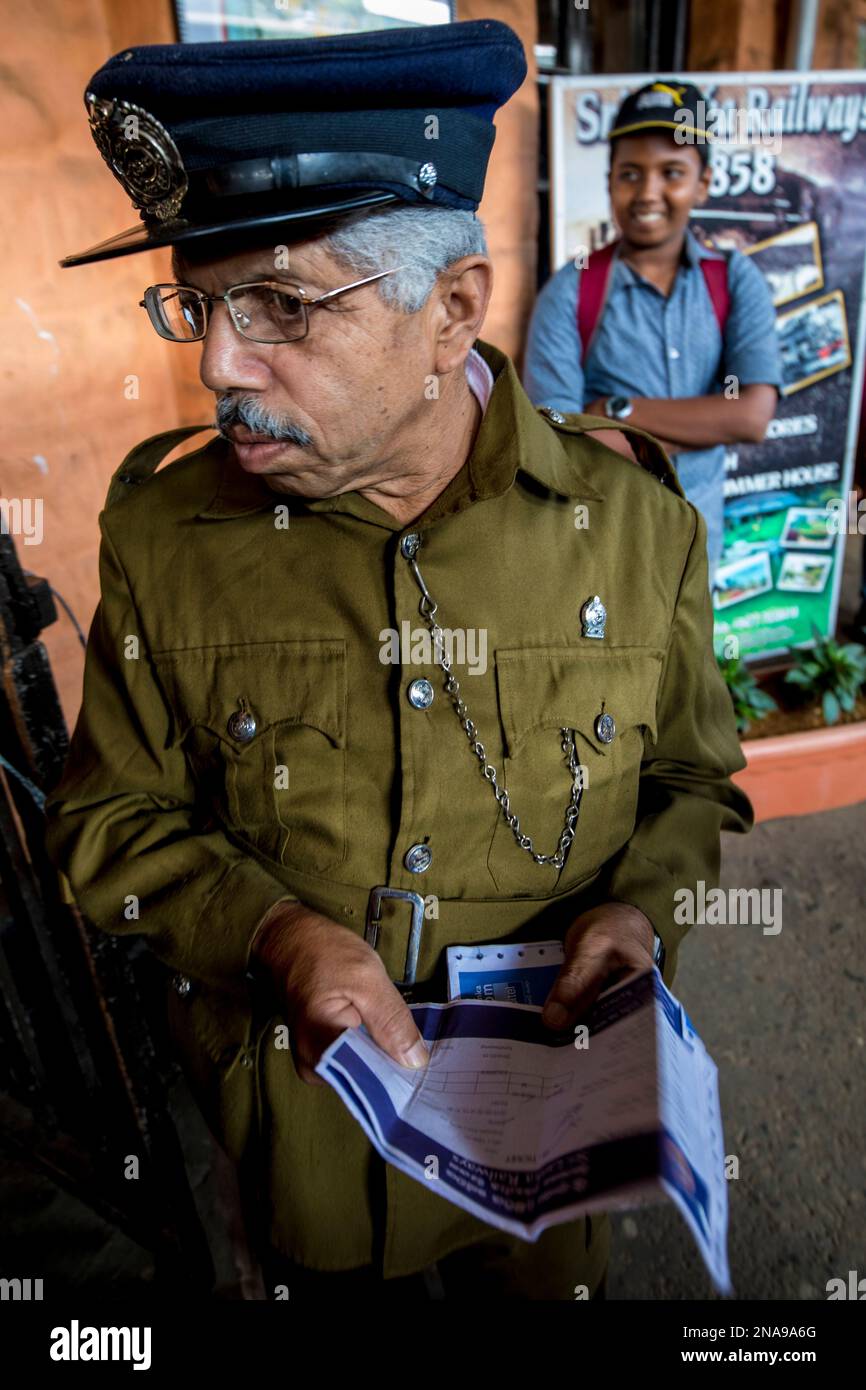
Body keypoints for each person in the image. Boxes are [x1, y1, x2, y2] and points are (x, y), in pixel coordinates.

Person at [44, 24, 753, 1301]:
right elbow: (109, 821)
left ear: (454, 313)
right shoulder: (166, 535)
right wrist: (268, 934)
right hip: (301, 1147)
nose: (215, 365)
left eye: (278, 305)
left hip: (553, 1156)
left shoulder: (635, 530)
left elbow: (693, 780)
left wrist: (637, 912)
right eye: (200, 303)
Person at [523, 79, 783, 584]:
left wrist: (617, 412)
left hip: (698, 554)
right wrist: (702, 424)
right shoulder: (571, 292)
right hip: (602, 557)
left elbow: (752, 415)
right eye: (630, 174)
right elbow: (558, 439)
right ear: (610, 182)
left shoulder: (734, 279)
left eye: (672, 173)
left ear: (703, 182)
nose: (647, 193)